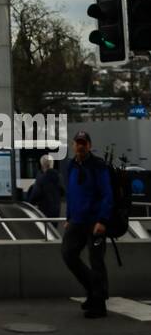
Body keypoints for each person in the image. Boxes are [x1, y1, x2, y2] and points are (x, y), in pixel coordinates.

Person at [61, 131, 112, 319]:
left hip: (94, 222)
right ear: (73, 145)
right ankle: (94, 290)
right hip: (76, 221)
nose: (80, 146)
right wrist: (68, 217)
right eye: (78, 143)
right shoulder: (70, 165)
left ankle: (99, 304)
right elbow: (71, 194)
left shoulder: (98, 166)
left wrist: (103, 220)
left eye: (84, 143)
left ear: (89, 145)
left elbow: (107, 194)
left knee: (96, 261)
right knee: (68, 254)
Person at [27, 154, 62, 226]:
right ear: (52, 164)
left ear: (42, 165)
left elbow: (35, 195)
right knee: (53, 231)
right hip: (56, 211)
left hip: (44, 211)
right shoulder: (59, 176)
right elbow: (63, 191)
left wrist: (30, 201)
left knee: (45, 232)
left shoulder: (41, 178)